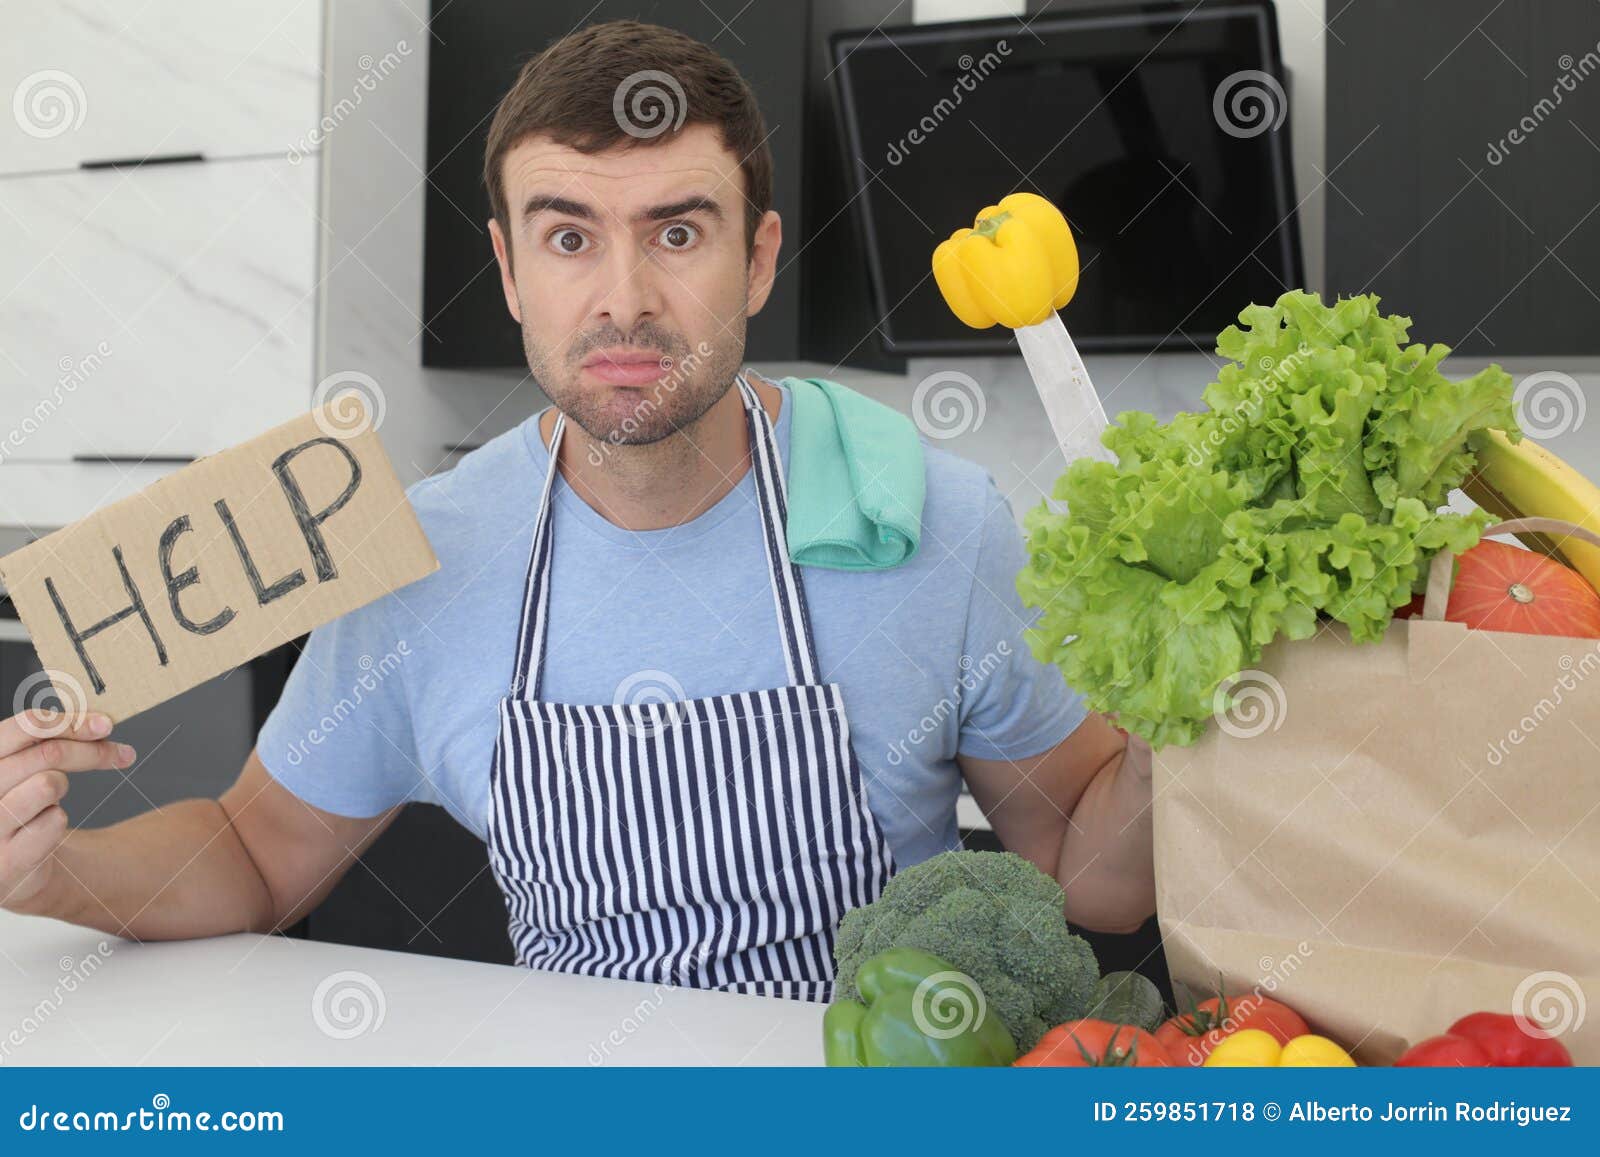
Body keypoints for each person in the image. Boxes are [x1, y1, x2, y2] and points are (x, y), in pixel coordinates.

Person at [0, 20, 1153, 998]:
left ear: (755, 262)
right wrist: (53, 871)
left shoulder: (933, 525)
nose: (623, 299)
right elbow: (255, 852)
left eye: (677, 231)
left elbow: (1087, 872)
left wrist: (1183, 734)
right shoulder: (420, 552)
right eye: (568, 238)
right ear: (509, 273)